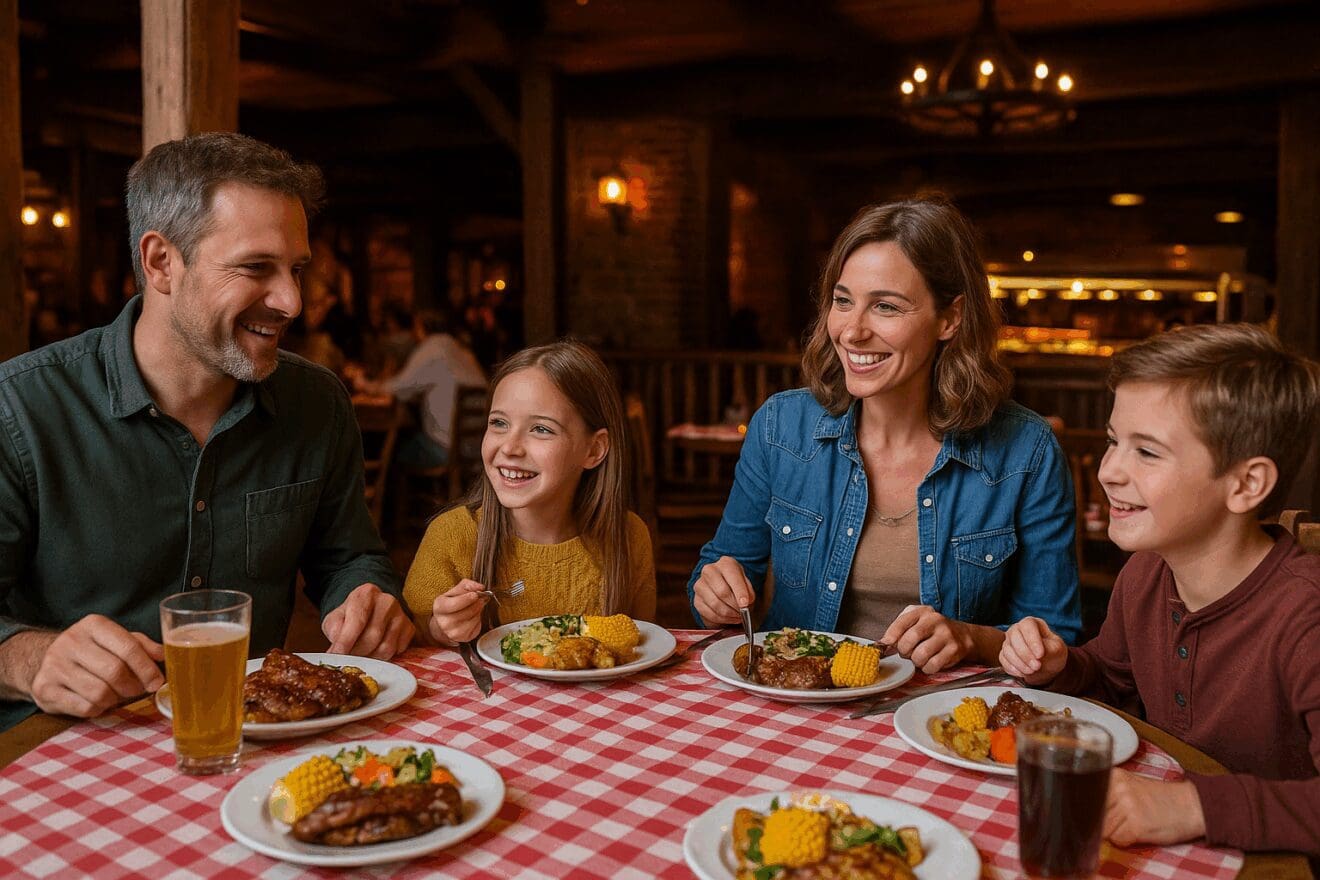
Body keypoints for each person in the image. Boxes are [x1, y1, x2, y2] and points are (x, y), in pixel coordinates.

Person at [0, 132, 413, 732]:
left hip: (253, 739)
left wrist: (366, 598)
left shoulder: (316, 401)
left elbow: (348, 557)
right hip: (68, 750)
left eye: (296, 269)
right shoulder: (20, 408)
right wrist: (32, 658)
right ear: (161, 261)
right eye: (256, 268)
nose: (292, 300)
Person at [689, 195, 1081, 673]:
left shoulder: (1026, 450)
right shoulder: (779, 427)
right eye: (843, 301)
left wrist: (970, 638)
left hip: (939, 716)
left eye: (886, 307)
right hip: (796, 704)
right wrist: (714, 593)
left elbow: (1056, 639)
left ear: (949, 319)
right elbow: (718, 576)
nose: (852, 332)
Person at [1000, 323, 1320, 857]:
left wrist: (1191, 805)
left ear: (1245, 485)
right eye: (1113, 441)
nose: (1109, 471)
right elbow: (1113, 680)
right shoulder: (1147, 574)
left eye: (1147, 453)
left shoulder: (1305, 617)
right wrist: (1061, 667)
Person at [404, 340, 656, 644]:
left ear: (594, 449)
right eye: (499, 423)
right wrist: (442, 630)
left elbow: (641, 646)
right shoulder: (451, 536)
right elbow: (420, 645)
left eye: (541, 429)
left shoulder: (629, 537)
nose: (509, 447)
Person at [353, 309, 487, 469]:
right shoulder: (463, 352)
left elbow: (396, 388)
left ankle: (387, 492)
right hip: (475, 449)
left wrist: (364, 384)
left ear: (421, 327)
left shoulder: (432, 349)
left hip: (445, 449)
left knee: (387, 449)